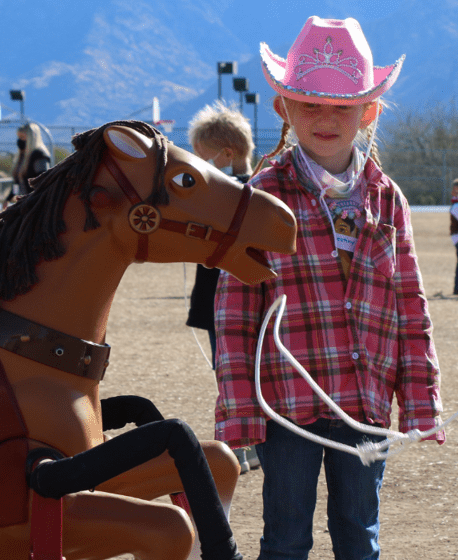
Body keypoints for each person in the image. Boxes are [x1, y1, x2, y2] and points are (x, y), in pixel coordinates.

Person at [213, 16, 444, 560]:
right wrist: (239, 409)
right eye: (309, 104)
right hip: (287, 403)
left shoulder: (389, 201)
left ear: (369, 113)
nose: (325, 118)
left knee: (359, 534)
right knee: (287, 535)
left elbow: (411, 307)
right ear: (283, 109)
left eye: (341, 107)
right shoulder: (259, 199)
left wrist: (421, 401)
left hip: (365, 399)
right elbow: (234, 312)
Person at [185, 100, 261, 474]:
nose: (199, 165)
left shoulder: (233, 196)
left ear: (227, 155)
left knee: (233, 376)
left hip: (229, 306)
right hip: (225, 306)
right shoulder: (257, 193)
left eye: (202, 157)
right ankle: (245, 445)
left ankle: (244, 446)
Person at [4, 122, 51, 208]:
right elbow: (17, 183)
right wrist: (9, 198)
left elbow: (43, 181)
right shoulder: (22, 157)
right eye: (19, 137)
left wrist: (33, 200)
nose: (19, 141)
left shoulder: (39, 155)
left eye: (22, 137)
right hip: (24, 203)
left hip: (36, 204)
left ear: (31, 138)